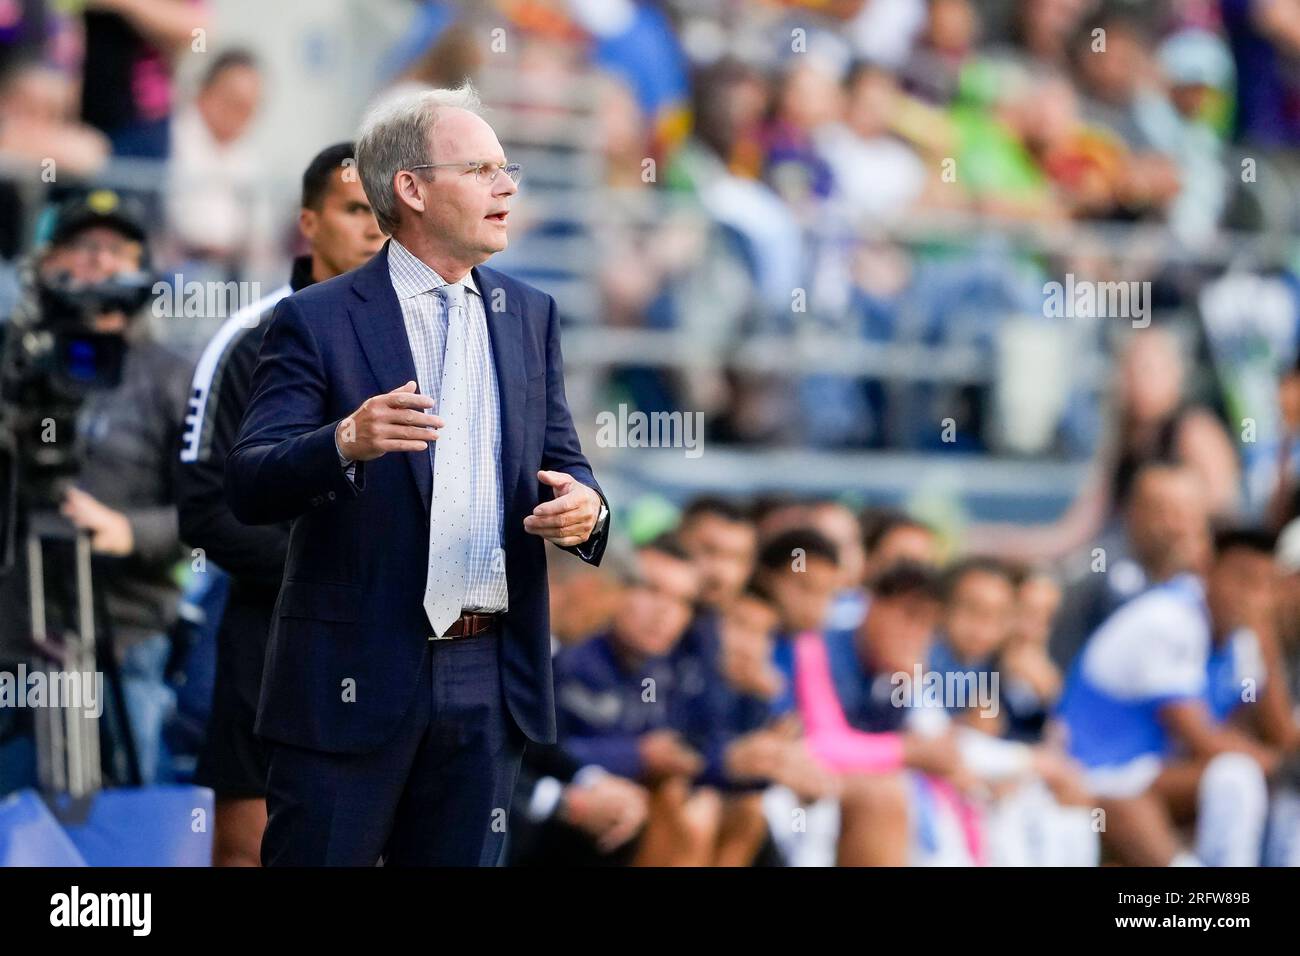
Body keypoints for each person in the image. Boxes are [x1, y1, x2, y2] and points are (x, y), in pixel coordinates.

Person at [224, 82, 611, 866]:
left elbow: (563, 463)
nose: (506, 188)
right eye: (482, 170)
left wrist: (588, 512)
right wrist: (342, 440)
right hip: (350, 678)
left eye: (508, 171)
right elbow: (249, 482)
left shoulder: (530, 313)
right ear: (412, 188)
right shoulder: (314, 318)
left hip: (489, 676)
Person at [176, 141, 384, 866]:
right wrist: (333, 570)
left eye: (385, 209)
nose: (374, 226)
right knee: (247, 852)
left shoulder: (440, 340)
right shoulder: (249, 339)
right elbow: (205, 510)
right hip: (270, 637)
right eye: (355, 208)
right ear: (308, 221)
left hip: (394, 643)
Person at [0, 190, 190, 786]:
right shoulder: (10, 359)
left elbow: (219, 510)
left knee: (122, 831)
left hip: (124, 635)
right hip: (12, 638)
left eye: (115, 249)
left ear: (142, 265)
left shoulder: (172, 376)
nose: (97, 262)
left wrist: (128, 531)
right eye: (81, 247)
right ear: (46, 263)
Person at [1056, 528, 1286, 866]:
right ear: (1209, 569)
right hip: (1093, 769)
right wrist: (1282, 766)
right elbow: (1201, 739)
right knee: (1237, 773)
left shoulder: (1243, 638)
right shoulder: (1168, 620)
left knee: (1246, 775)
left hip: (1154, 773)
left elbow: (1259, 729)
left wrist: (1265, 642)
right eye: (1242, 579)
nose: (1251, 597)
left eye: (1264, 586)